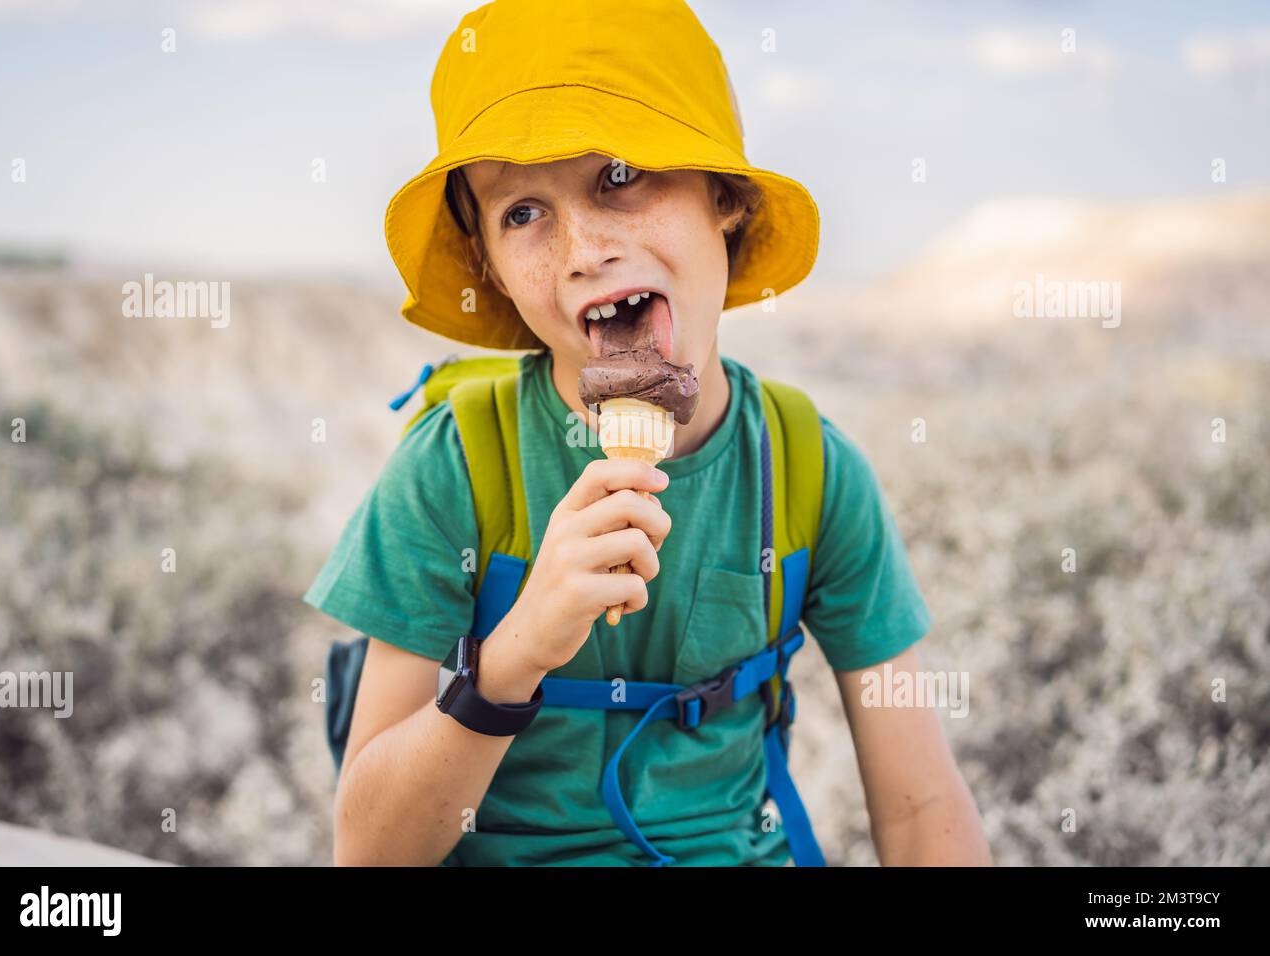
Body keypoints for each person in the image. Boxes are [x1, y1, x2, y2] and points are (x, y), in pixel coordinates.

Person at [304, 0, 990, 867]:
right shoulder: (454, 466)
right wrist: (517, 651)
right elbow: (368, 852)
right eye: (522, 212)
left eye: (620, 175)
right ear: (491, 268)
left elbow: (922, 803)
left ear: (726, 198)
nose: (584, 248)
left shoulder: (809, 471)